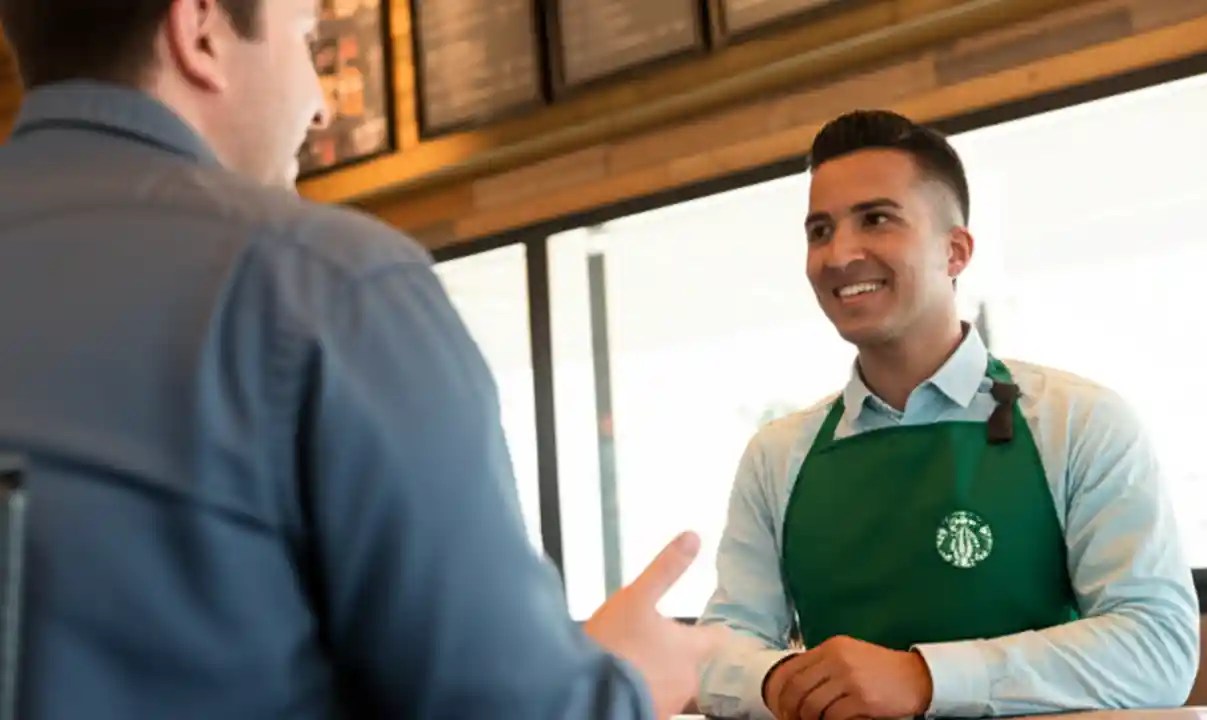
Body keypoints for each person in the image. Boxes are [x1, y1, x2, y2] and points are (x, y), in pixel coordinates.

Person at [0, 0, 719, 717]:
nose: (319, 110)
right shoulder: (325, 283)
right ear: (201, 31)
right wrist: (630, 679)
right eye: (307, 38)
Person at [696, 110, 1200, 719]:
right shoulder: (777, 455)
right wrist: (779, 683)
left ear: (956, 251)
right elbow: (721, 652)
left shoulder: (1080, 421)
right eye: (820, 230)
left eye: (876, 219)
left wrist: (924, 678)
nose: (839, 254)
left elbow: (1158, 649)